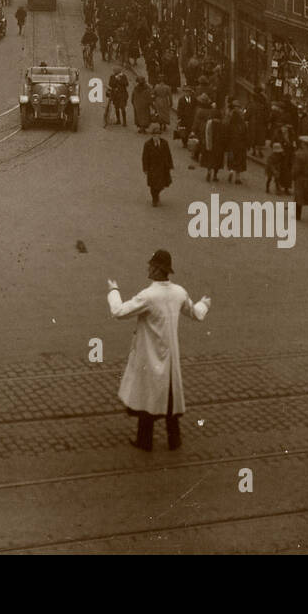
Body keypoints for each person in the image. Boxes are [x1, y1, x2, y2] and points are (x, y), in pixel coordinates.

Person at [107, 250, 211, 452]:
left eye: (151, 266)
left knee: (147, 396)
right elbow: (195, 313)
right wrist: (205, 304)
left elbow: (118, 312)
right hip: (170, 357)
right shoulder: (179, 292)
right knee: (170, 397)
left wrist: (113, 291)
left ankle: (144, 440)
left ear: (156, 270)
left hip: (150, 354)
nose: (148, 268)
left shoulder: (148, 296)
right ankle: (174, 439)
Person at [142, 124, 173, 206]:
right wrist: (145, 168)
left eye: (158, 135)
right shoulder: (148, 144)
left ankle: (157, 194)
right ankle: (154, 199)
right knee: (153, 185)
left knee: (161, 184)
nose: (156, 137)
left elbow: (168, 154)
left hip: (162, 167)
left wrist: (170, 165)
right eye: (155, 135)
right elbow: (145, 157)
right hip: (152, 168)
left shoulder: (164, 143)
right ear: (152, 135)